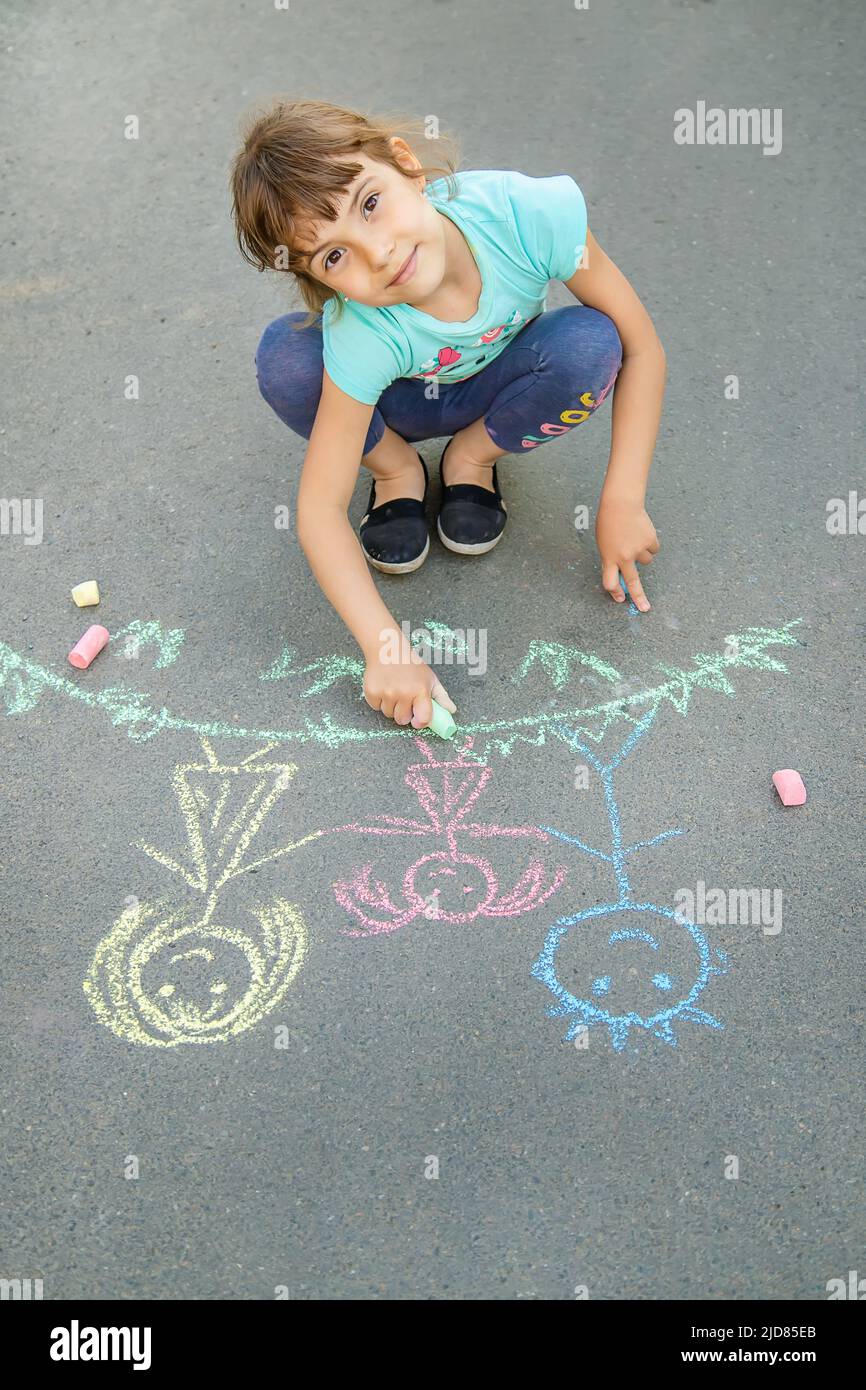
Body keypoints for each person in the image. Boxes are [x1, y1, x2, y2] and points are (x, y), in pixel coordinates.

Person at [230, 99, 663, 732]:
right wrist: (383, 647)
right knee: (290, 362)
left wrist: (623, 499)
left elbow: (642, 347)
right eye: (333, 256)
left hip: (500, 384)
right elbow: (320, 510)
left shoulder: (527, 215)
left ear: (407, 166)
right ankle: (396, 469)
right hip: (401, 400)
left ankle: (472, 457)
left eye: (369, 203)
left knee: (594, 345)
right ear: (322, 281)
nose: (376, 254)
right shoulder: (363, 329)